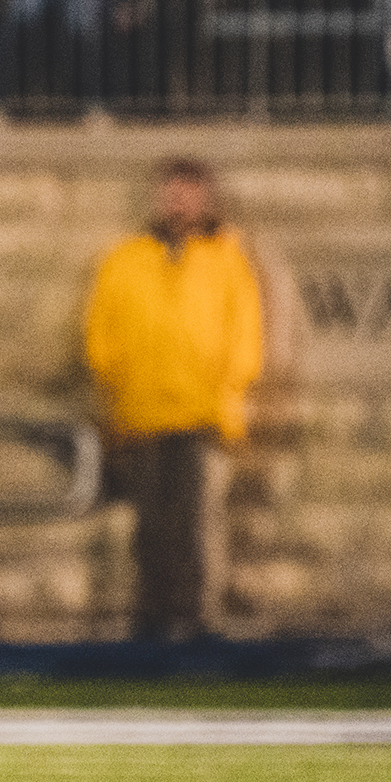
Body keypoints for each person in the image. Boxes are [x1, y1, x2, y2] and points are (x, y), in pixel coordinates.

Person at [84, 157, 262, 642]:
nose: (179, 202)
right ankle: (153, 622)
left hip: (203, 416)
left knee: (198, 527)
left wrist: (226, 391)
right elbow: (101, 330)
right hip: (140, 413)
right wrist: (116, 383)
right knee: (150, 529)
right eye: (172, 192)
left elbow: (245, 336)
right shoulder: (126, 258)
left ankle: (195, 622)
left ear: (205, 198)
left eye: (189, 192)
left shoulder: (227, 259)